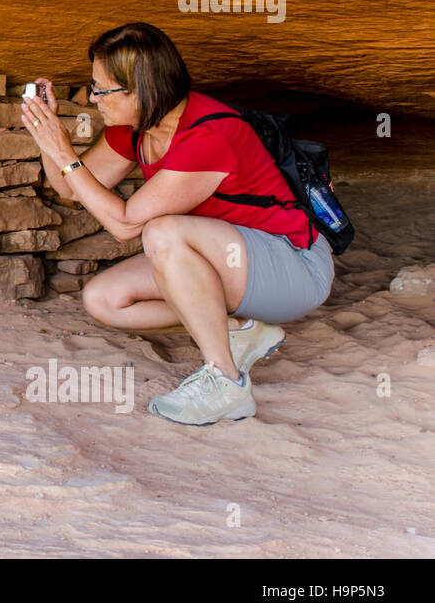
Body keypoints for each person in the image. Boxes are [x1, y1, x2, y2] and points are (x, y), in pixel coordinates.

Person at [19, 22, 334, 425]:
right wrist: (49, 140)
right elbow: (73, 188)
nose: (92, 98)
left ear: (142, 89)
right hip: (232, 263)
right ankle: (241, 331)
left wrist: (64, 152)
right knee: (104, 299)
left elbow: (125, 225)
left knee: (161, 231)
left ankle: (227, 382)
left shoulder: (210, 133)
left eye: (101, 89)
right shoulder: (137, 130)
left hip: (294, 266)